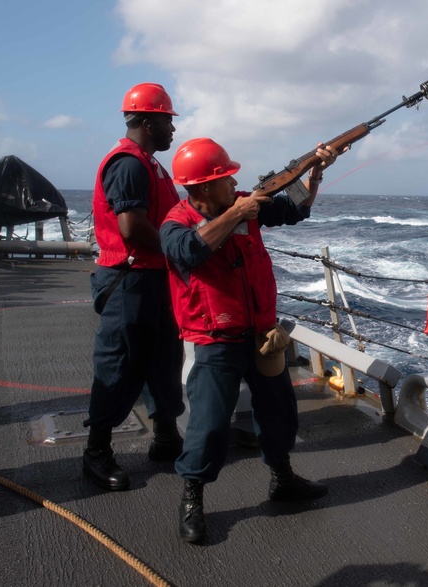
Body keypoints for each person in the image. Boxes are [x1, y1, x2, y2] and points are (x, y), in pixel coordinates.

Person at [160, 136, 335, 544]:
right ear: (203, 187)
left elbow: (294, 210)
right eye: (225, 178)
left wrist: (316, 172)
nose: (234, 184)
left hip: (262, 333)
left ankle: (283, 478)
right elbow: (186, 252)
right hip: (215, 338)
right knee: (207, 425)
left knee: (279, 412)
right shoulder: (176, 223)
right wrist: (236, 212)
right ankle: (193, 497)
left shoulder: (245, 204)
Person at [83, 82, 185, 492]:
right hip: (130, 279)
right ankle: (96, 451)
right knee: (121, 363)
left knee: (163, 357)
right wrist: (185, 247)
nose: (172, 130)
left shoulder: (151, 164)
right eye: (166, 121)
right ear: (146, 122)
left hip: (154, 277)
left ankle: (165, 436)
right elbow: (133, 227)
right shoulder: (128, 164)